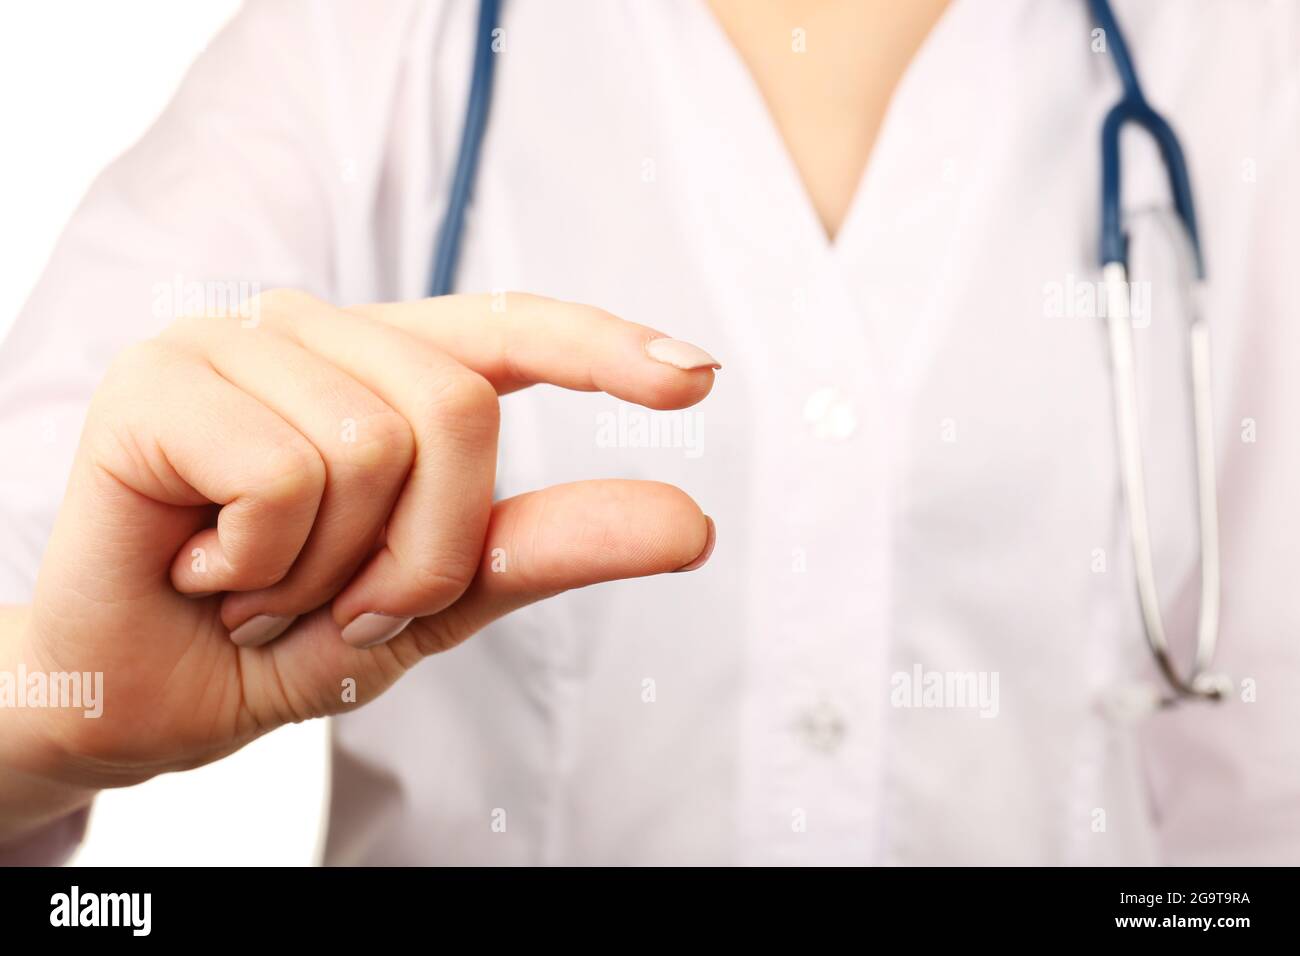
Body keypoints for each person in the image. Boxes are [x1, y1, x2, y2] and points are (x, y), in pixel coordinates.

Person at [1, 0, 1298, 866]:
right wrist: (52, 725)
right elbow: (36, 602)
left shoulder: (1237, 62)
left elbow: (1254, 798)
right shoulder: (359, 44)